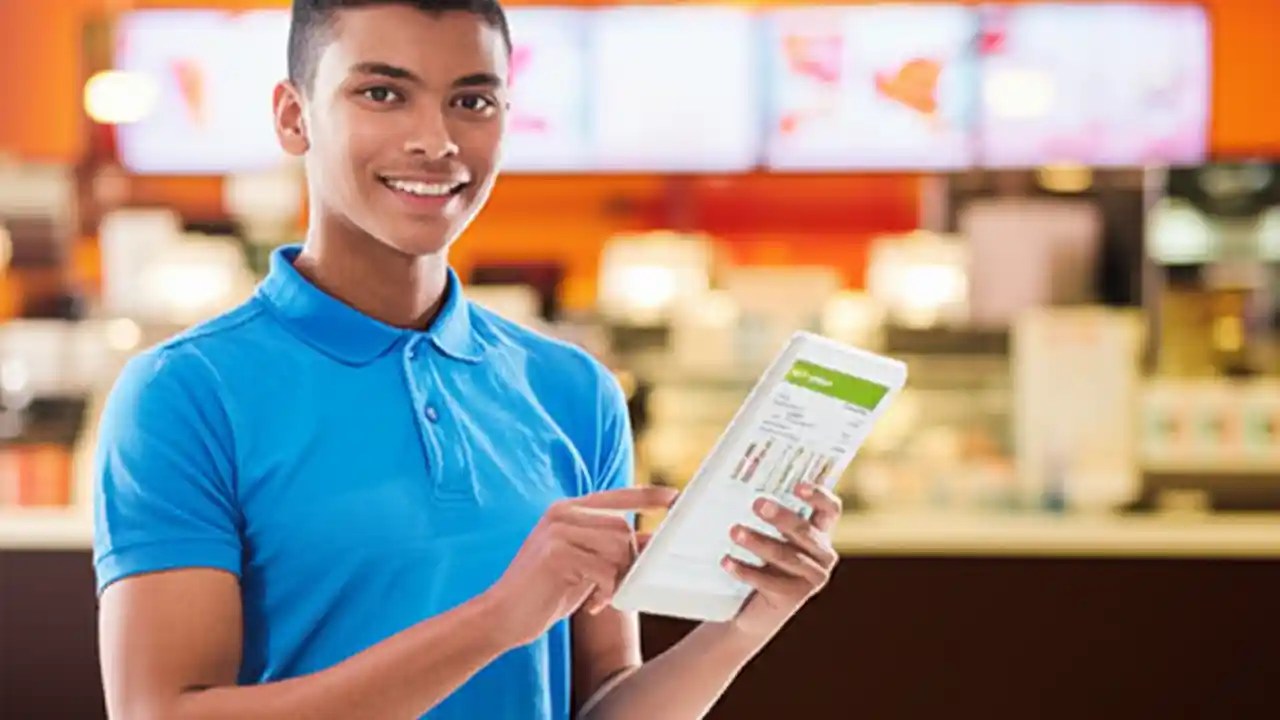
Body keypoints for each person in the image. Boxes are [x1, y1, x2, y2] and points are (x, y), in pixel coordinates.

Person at [92, 2, 843, 718]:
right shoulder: (185, 392)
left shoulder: (573, 390)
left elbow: (605, 701)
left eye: (472, 102)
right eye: (383, 93)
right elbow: (161, 713)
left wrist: (744, 625)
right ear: (295, 117)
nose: (436, 140)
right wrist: (497, 619)